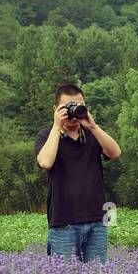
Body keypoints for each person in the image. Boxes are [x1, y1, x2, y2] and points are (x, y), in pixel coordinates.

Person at [34, 83, 122, 263]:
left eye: (78, 106)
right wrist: (56, 127)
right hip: (63, 224)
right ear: (55, 109)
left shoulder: (92, 135)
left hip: (98, 220)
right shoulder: (47, 136)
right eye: (67, 107)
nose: (73, 112)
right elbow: (45, 162)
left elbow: (115, 153)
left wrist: (93, 127)